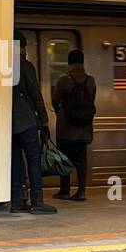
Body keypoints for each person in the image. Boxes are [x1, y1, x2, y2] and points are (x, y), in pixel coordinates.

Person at [11, 33, 55, 214]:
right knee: (33, 160)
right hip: (27, 122)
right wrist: (44, 120)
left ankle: (16, 200)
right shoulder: (26, 66)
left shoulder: (3, 66)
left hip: (9, 123)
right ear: (21, 47)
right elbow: (36, 95)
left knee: (14, 162)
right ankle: (37, 201)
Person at [52, 48, 96, 201]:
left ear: (69, 62)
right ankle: (81, 191)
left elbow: (55, 100)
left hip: (66, 128)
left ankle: (64, 190)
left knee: (64, 157)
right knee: (81, 159)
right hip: (84, 128)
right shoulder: (91, 81)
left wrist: (60, 112)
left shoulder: (64, 79)